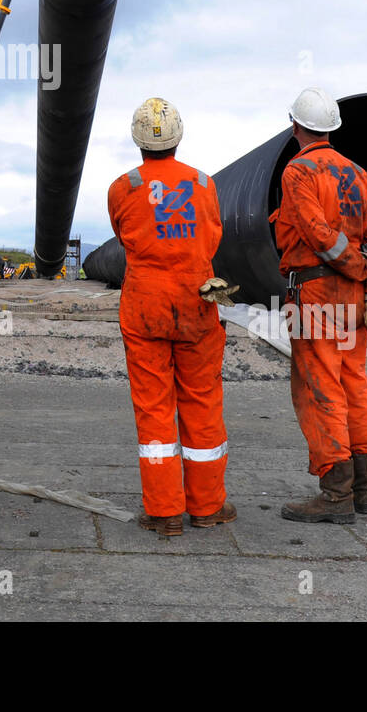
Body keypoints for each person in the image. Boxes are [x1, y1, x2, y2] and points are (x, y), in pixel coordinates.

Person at [107, 97, 230, 538]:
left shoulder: (123, 187)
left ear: (137, 140)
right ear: (179, 137)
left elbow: (124, 235)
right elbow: (212, 238)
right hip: (197, 300)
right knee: (202, 402)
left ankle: (164, 512)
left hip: (145, 304)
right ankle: (207, 507)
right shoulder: (204, 184)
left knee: (154, 406)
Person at [273, 87, 367, 524]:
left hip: (316, 295)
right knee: (353, 383)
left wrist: (354, 266)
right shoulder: (359, 173)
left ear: (295, 126)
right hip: (354, 298)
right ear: (332, 128)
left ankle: (335, 493)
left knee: (320, 386)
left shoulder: (298, 171)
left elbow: (317, 232)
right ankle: (362, 489)